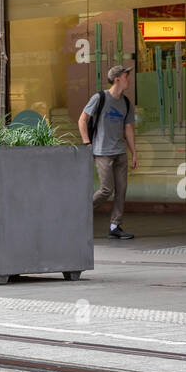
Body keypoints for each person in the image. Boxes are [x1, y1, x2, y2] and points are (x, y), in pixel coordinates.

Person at [78, 63, 137, 240]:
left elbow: (128, 128)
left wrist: (134, 153)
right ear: (117, 79)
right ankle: (79, 211)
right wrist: (86, 142)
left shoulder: (126, 102)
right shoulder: (100, 98)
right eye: (127, 77)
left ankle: (115, 225)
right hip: (102, 151)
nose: (129, 80)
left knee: (121, 189)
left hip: (119, 151)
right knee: (106, 189)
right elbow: (82, 120)